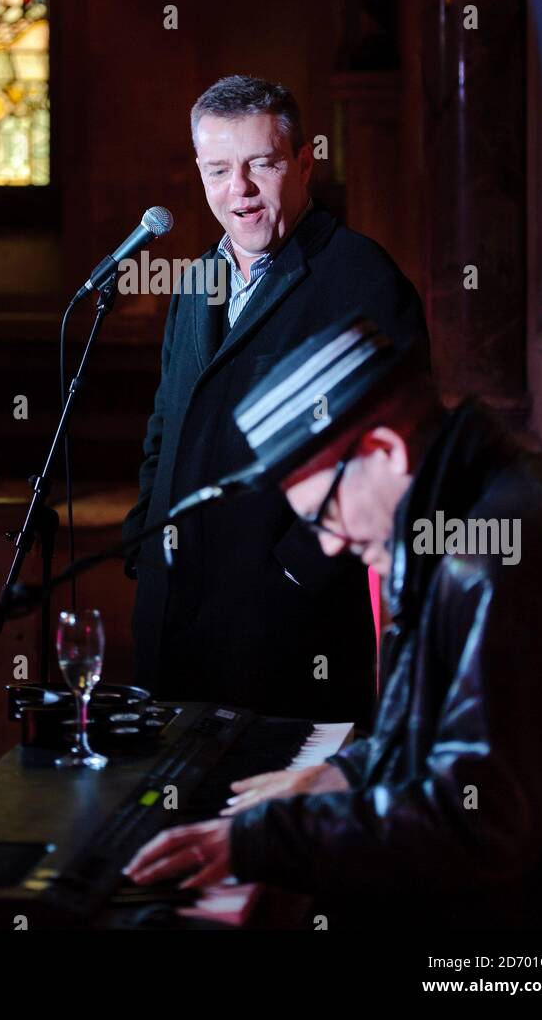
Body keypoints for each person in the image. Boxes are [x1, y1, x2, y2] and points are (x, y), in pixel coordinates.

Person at [125, 317, 542, 929]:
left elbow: (478, 822)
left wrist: (258, 843)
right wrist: (346, 772)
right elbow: (449, 741)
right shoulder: (497, 504)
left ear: (385, 451)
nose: (328, 548)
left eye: (321, 515)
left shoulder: (493, 561)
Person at [123, 76, 428, 724]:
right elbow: (164, 425)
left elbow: (391, 458)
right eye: (218, 170)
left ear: (303, 161)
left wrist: (289, 576)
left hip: (284, 635)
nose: (240, 190)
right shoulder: (195, 281)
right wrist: (143, 539)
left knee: (266, 821)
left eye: (260, 164)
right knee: (171, 812)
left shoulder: (359, 278)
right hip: (172, 618)